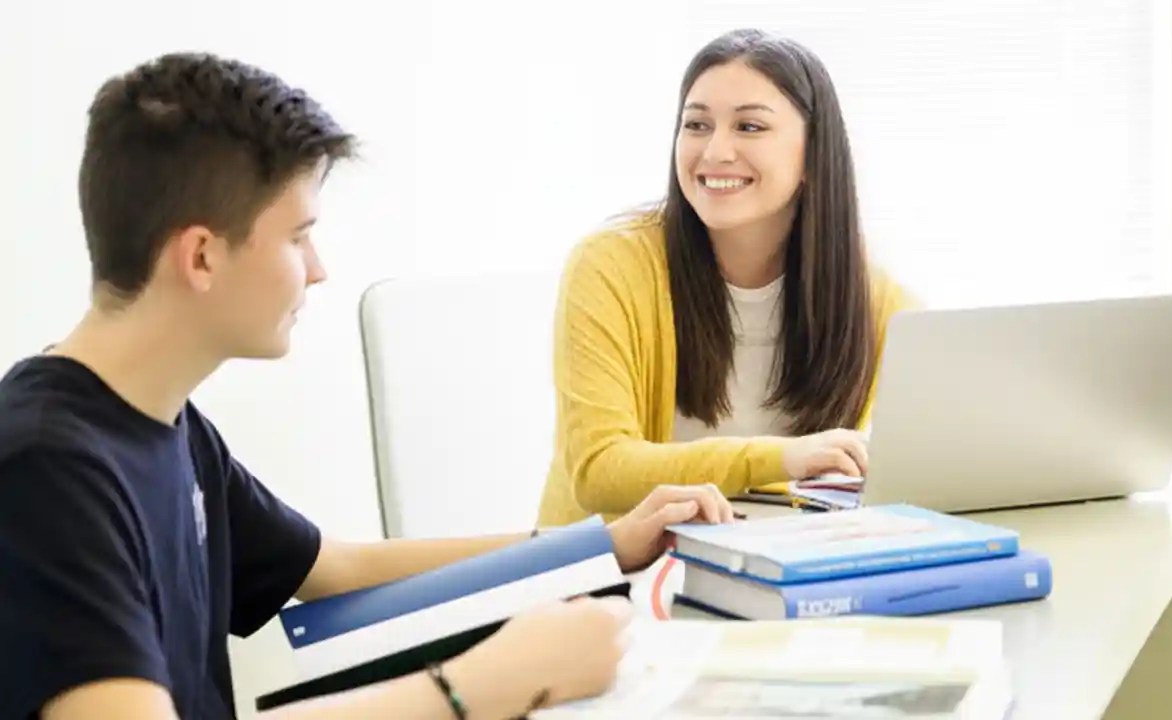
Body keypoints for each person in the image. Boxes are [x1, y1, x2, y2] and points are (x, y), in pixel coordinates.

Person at [0, 53, 734, 720]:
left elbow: (336, 568)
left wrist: (599, 546)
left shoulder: (167, 426)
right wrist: (477, 685)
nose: (317, 268)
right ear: (201, 256)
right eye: (297, 236)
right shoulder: (49, 470)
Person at [537, 28, 918, 527]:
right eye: (696, 125)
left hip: (784, 570)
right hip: (611, 578)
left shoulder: (880, 303)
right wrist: (781, 458)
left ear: (813, 153)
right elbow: (598, 470)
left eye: (750, 127)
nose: (715, 151)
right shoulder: (610, 266)